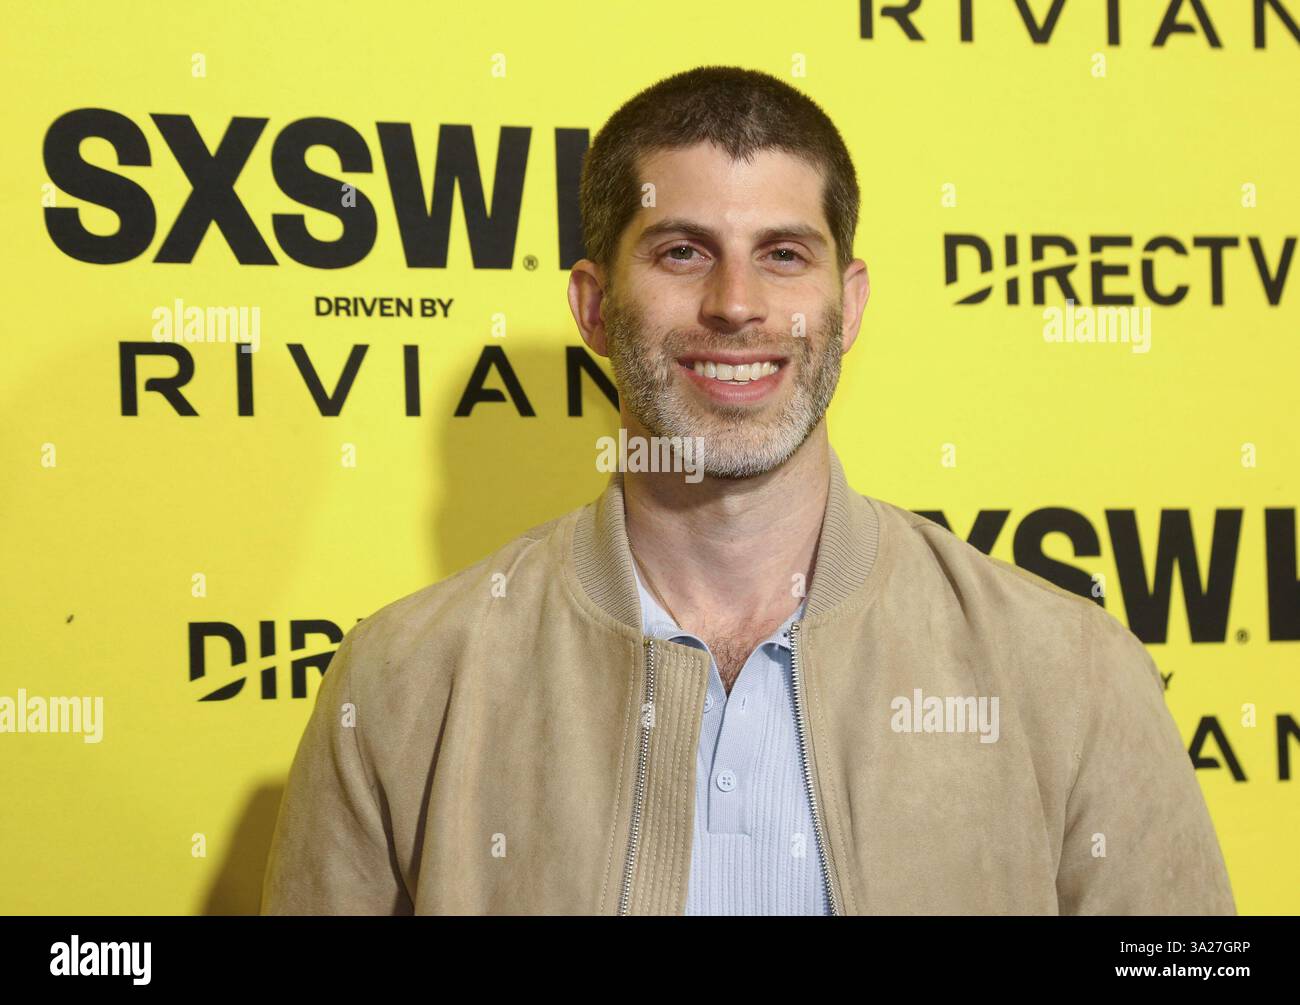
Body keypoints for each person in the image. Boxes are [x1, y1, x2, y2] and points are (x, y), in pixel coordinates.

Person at [260, 65, 1235, 915]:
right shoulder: (401, 682)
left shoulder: (1069, 675)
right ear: (595, 308)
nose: (735, 305)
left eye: (782, 254)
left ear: (845, 304)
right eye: (682, 251)